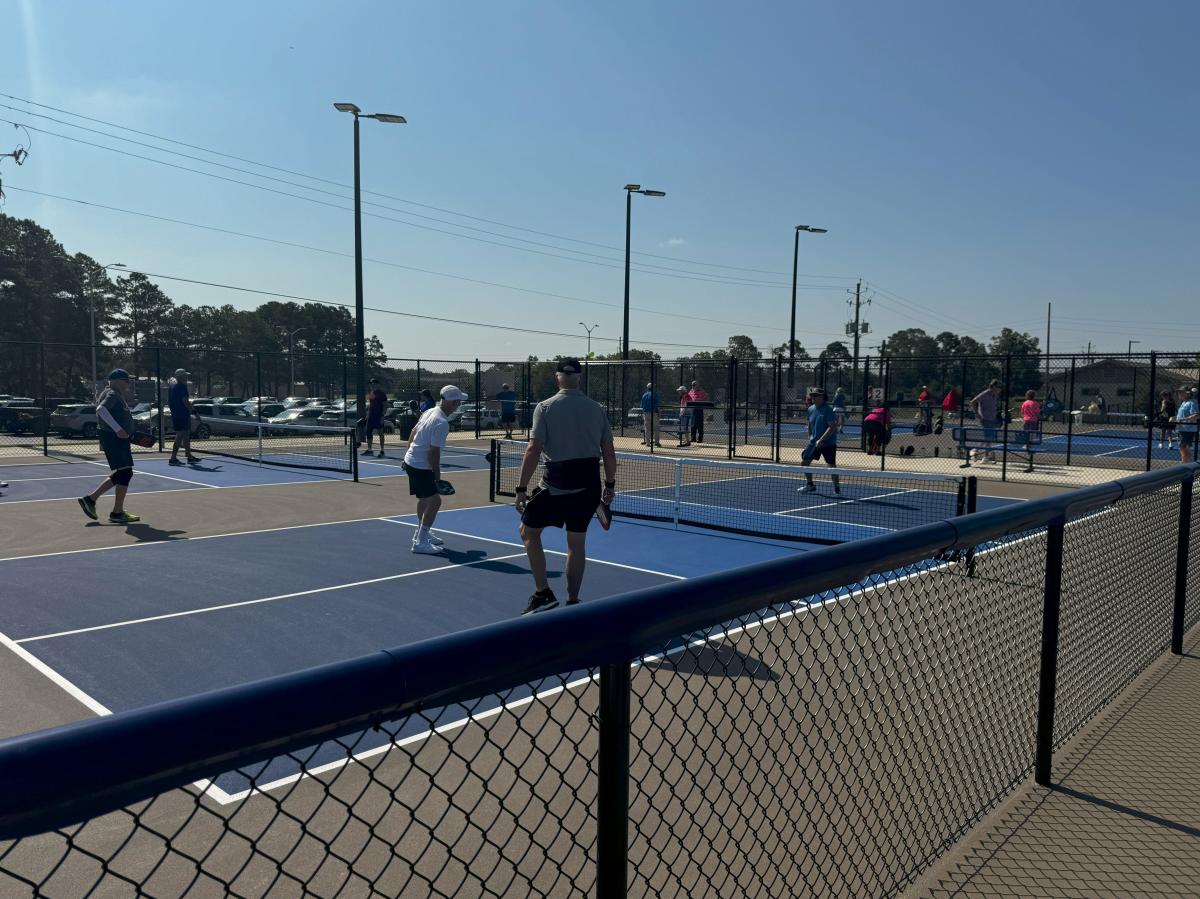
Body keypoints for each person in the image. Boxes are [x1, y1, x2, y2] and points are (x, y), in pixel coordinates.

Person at [515, 358, 616, 614]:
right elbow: (609, 452)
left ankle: (543, 594)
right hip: (589, 487)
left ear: (557, 377)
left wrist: (521, 488)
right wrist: (610, 485)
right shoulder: (597, 409)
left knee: (528, 532)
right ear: (579, 378)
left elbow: (533, 449)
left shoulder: (545, 407)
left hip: (555, 486)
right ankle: (572, 602)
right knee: (576, 544)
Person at [402, 385, 467, 553]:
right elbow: (434, 453)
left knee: (424, 499)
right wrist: (437, 476)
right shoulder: (441, 422)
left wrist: (406, 456)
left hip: (411, 462)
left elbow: (413, 432)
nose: (459, 404)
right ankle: (420, 542)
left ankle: (420, 533)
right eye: (458, 402)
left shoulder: (430, 411)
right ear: (454, 403)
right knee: (435, 501)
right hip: (421, 466)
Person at [78, 369, 140, 524]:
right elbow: (101, 410)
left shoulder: (115, 394)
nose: (128, 383)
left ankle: (100, 504)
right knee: (125, 472)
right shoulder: (112, 393)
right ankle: (109, 509)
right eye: (126, 380)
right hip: (113, 438)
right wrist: (118, 429)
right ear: (117, 381)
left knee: (124, 472)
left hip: (116, 438)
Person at [799, 388, 840, 494]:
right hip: (814, 443)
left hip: (828, 443)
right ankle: (810, 485)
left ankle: (837, 489)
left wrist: (822, 439)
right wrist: (810, 437)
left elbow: (832, 427)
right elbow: (810, 424)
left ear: (822, 397)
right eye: (812, 395)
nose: (813, 397)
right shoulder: (810, 409)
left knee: (831, 466)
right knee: (804, 462)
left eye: (815, 395)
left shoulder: (828, 410)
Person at [167, 368, 198, 466]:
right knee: (180, 436)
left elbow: (170, 401)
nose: (186, 377)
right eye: (185, 376)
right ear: (180, 377)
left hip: (179, 415)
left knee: (186, 435)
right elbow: (185, 401)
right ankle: (173, 458)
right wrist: (193, 411)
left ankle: (189, 456)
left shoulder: (172, 386)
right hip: (181, 416)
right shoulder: (182, 386)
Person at [970, 380, 1003, 463]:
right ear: (993, 387)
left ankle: (976, 450)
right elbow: (973, 402)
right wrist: (977, 414)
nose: (1000, 389)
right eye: (998, 387)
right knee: (988, 438)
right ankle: (985, 457)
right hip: (985, 419)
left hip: (992, 419)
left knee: (989, 438)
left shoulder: (995, 395)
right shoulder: (985, 394)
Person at [362, 379, 388, 457]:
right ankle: (370, 450)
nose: (372, 385)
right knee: (368, 432)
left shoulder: (382, 394)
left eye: (373, 384)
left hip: (379, 416)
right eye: (371, 384)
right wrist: (367, 415)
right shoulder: (371, 393)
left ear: (377, 384)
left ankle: (382, 451)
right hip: (371, 417)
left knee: (380, 433)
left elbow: (385, 405)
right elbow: (371, 405)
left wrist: (382, 416)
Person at [1175, 388, 1199, 463]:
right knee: (1183, 447)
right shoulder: (1183, 403)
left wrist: (1182, 420)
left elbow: (1196, 415)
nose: (1179, 394)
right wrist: (1175, 418)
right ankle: (1185, 462)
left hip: (1187, 429)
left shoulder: (1192, 402)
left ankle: (1185, 463)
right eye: (1179, 392)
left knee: (1183, 447)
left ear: (1187, 394)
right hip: (1181, 428)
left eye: (1181, 392)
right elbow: (1182, 416)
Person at [1020, 389, 1041, 472]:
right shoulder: (1035, 403)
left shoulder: (1025, 403)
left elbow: (1022, 412)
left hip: (1026, 420)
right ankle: (1029, 445)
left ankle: (1027, 444)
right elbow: (1037, 412)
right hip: (1033, 421)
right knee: (1032, 435)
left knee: (1026, 433)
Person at [639, 382, 662, 447]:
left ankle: (648, 443)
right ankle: (656, 442)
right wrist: (659, 413)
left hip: (646, 413)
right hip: (654, 413)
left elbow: (642, 406)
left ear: (647, 388)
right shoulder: (655, 394)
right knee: (656, 428)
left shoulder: (644, 395)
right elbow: (657, 405)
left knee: (647, 428)